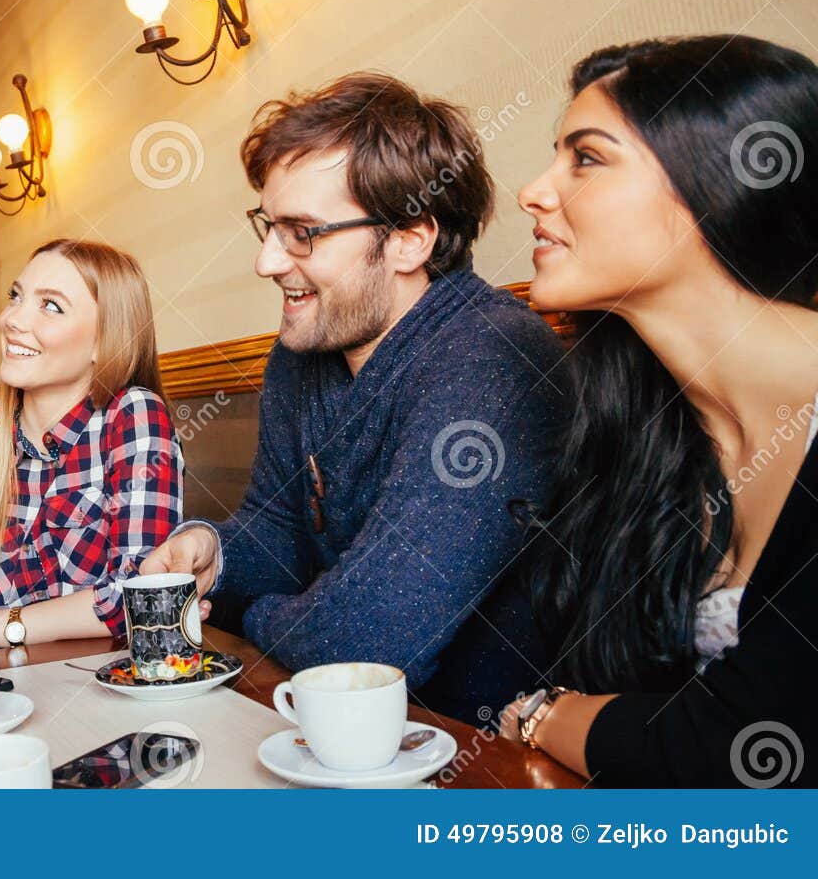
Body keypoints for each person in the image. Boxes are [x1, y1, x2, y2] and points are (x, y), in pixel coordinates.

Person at [140, 73, 564, 721]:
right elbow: (278, 527)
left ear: (408, 239)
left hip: (489, 770)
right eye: (269, 226)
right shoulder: (300, 356)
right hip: (343, 740)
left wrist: (251, 613)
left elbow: (365, 640)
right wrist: (216, 555)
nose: (267, 262)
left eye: (302, 231)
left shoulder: (493, 356)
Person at [501, 35, 818, 787]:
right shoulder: (644, 424)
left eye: (586, 157)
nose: (533, 192)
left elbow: (740, 749)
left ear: (720, 179)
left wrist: (550, 715)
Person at [0, 240, 182, 650]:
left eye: (51, 306)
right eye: (16, 297)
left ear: (104, 340)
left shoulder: (131, 418)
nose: (11, 319)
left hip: (116, 695)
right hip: (2, 699)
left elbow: (141, 598)